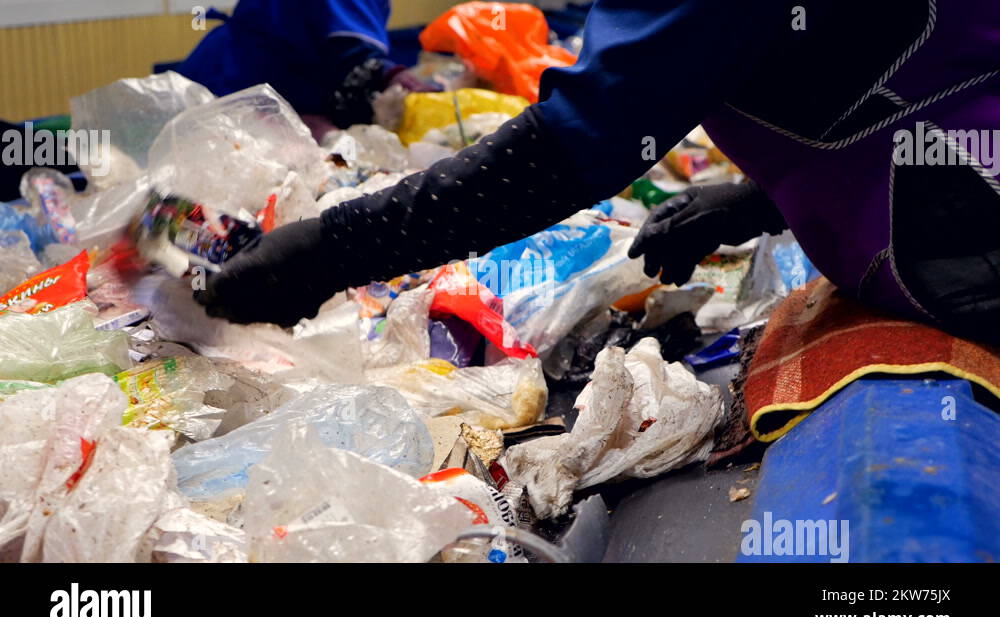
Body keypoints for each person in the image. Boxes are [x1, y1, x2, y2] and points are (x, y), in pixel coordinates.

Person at [196, 0, 1000, 345]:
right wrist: (760, 201)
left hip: (971, 225)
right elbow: (848, 48)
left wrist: (332, 251)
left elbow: (576, 144)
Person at [175, 0, 435, 127]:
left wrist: (390, 73)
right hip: (235, 81)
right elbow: (355, 56)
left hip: (276, 77)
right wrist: (390, 73)